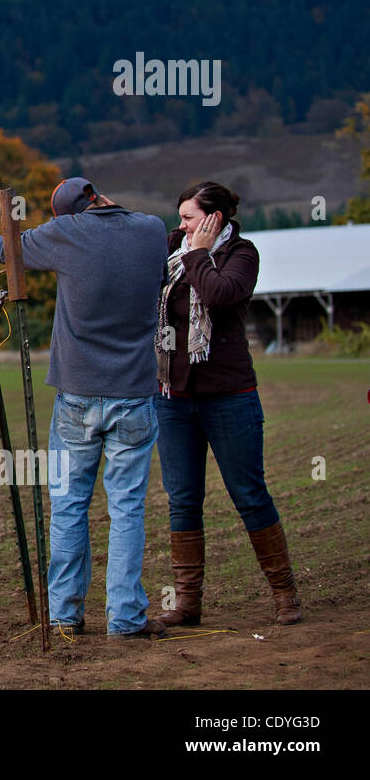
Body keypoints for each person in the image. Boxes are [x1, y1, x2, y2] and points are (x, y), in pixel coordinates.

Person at [0, 178, 169, 640]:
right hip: (134, 393)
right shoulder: (152, 229)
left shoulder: (65, 234)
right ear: (99, 195)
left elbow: (8, 248)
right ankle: (124, 619)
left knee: (67, 507)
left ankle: (65, 615)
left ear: (69, 216)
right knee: (127, 509)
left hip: (77, 396)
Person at [153, 182, 301, 627]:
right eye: (179, 218)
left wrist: (198, 253)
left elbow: (220, 294)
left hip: (229, 395)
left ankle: (284, 593)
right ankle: (188, 603)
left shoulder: (243, 253)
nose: (180, 226)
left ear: (214, 219)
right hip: (173, 398)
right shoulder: (170, 249)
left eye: (188, 218)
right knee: (182, 500)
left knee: (249, 495)